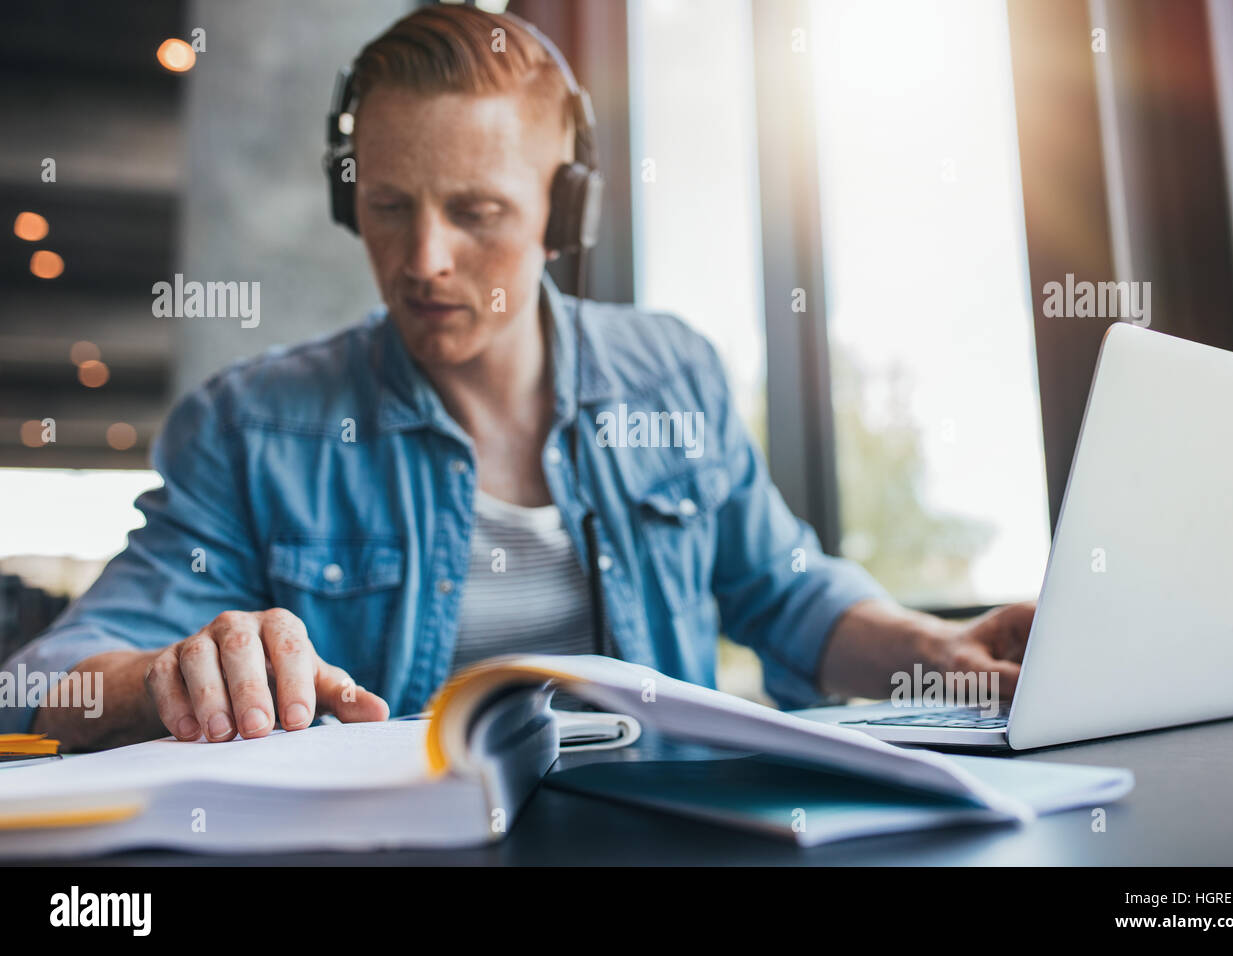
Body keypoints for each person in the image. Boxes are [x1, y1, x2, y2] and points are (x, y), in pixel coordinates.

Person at [6, 4, 1033, 751]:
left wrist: (927, 648)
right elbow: (41, 685)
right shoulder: (252, 425)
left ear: (564, 212)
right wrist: (163, 676)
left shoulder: (673, 375)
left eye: (476, 212)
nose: (424, 260)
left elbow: (785, 593)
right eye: (390, 205)